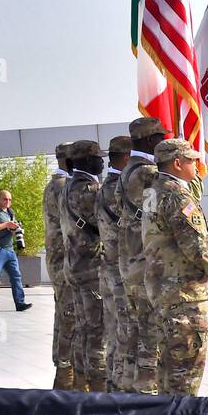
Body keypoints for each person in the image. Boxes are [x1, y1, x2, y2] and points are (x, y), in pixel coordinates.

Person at [144, 139, 208, 394]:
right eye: (191, 160)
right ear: (177, 163)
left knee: (168, 365)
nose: (196, 164)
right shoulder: (177, 194)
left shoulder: (153, 190)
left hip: (163, 287)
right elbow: (194, 244)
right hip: (183, 292)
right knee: (186, 368)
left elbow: (169, 236)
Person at [119, 117, 168, 394]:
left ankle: (129, 388)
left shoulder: (127, 170)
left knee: (135, 331)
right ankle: (145, 395)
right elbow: (157, 210)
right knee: (150, 335)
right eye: (160, 137)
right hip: (145, 263)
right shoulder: (148, 172)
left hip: (129, 260)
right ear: (150, 140)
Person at [62, 139, 107, 391]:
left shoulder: (68, 186)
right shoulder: (87, 189)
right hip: (91, 268)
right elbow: (101, 224)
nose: (102, 161)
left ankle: (81, 383)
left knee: (83, 328)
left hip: (76, 266)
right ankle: (96, 386)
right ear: (87, 160)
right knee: (96, 330)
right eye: (98, 157)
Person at [97, 135, 133, 391]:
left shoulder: (103, 186)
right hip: (120, 271)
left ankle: (112, 385)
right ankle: (118, 389)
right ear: (127, 158)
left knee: (113, 333)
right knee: (124, 334)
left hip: (108, 267)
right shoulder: (117, 187)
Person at [43, 143, 74, 389]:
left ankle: (65, 372)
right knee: (69, 316)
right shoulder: (63, 186)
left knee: (64, 314)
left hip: (59, 259)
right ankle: (65, 375)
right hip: (65, 261)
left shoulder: (54, 184)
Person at [0, 189, 32, 312]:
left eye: (9, 199)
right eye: (5, 199)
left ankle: (20, 303)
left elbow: (10, 231)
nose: (7, 201)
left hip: (10, 250)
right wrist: (7, 225)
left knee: (16, 276)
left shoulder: (10, 212)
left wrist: (16, 230)